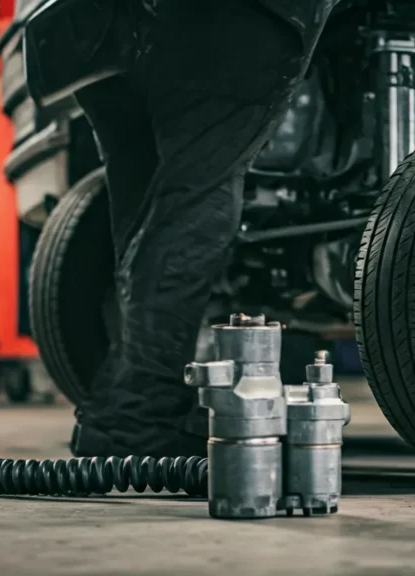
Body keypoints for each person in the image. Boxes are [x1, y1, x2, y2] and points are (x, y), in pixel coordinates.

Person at [67, 0, 337, 457]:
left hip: (93, 27)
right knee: (196, 191)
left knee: (146, 203)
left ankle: (123, 406)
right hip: (224, 18)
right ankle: (137, 414)